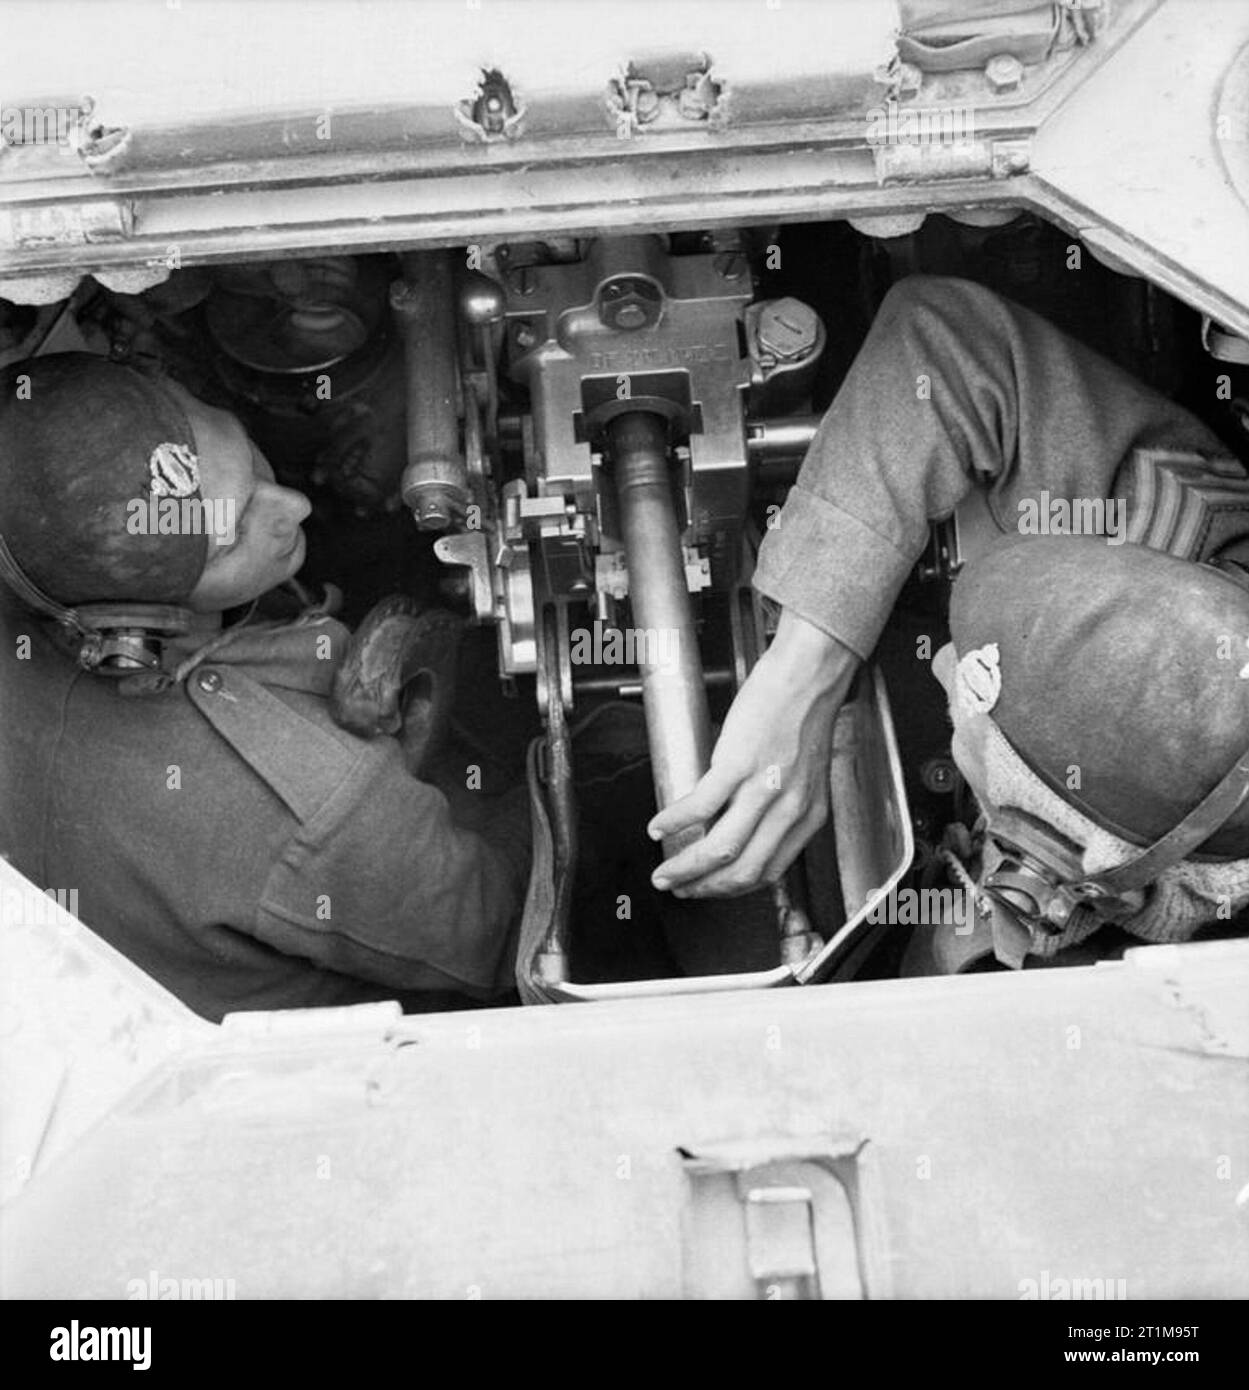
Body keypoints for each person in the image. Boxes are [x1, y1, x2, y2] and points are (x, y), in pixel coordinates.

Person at [649, 275, 1249, 961]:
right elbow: (942, 334)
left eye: (975, 688)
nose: (938, 659)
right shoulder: (1166, 542)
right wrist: (801, 675)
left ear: (1051, 856)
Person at [0, 353, 530, 1022]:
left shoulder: (30, 544)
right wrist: (570, 765)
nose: (296, 505)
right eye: (233, 537)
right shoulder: (316, 805)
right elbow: (500, 935)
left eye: (249, 460)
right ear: (134, 624)